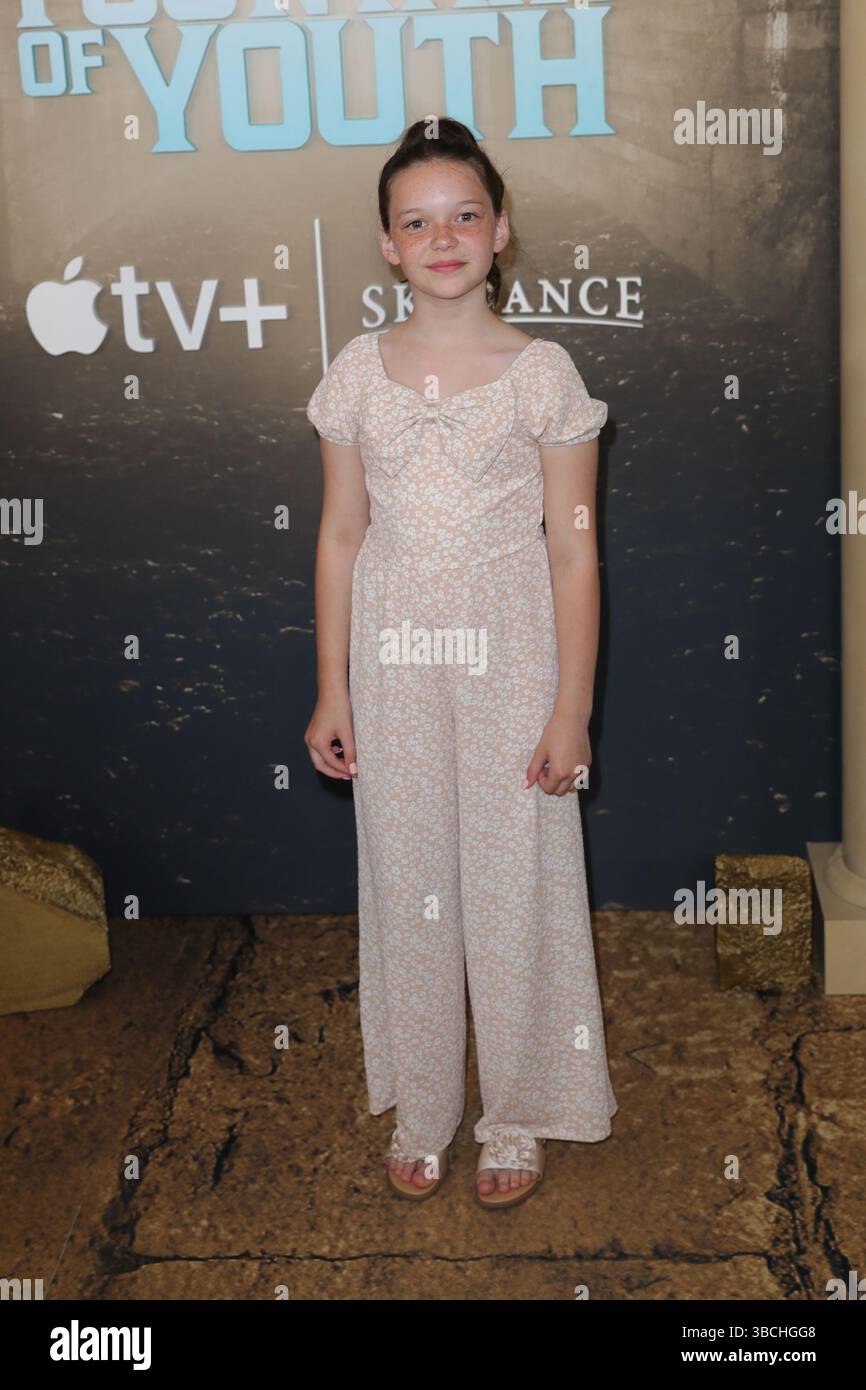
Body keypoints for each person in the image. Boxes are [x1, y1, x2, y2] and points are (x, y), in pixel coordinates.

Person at [304, 116, 617, 1210]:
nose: (442, 237)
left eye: (463, 215)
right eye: (415, 221)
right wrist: (332, 684)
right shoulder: (354, 372)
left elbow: (573, 547)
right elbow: (341, 534)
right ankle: (426, 1102)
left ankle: (519, 1110)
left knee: (515, 879)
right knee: (411, 885)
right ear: (387, 245)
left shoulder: (543, 373)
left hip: (511, 658)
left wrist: (569, 711)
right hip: (389, 662)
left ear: (501, 231)